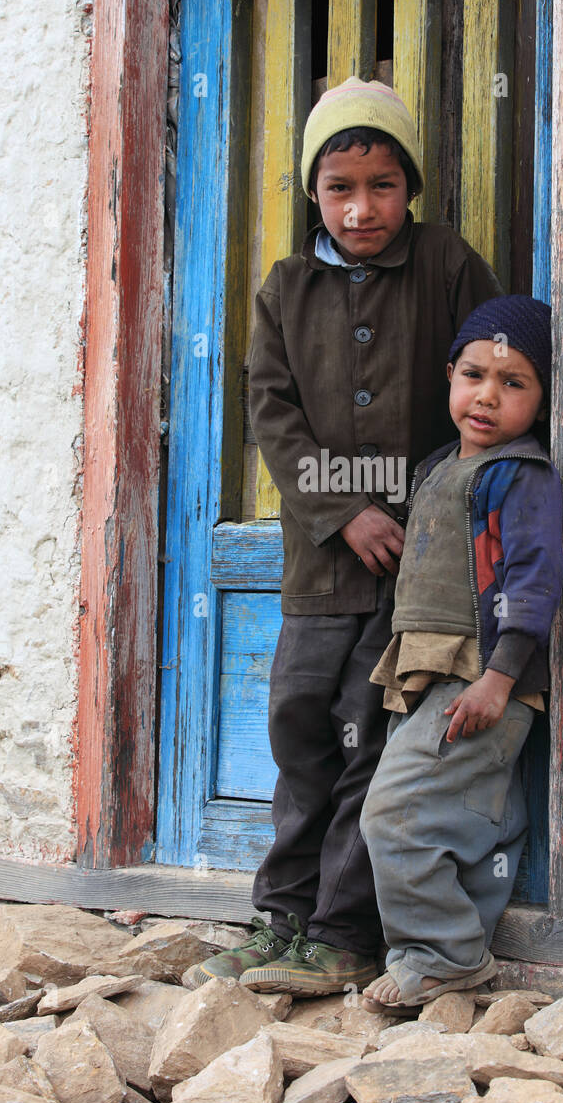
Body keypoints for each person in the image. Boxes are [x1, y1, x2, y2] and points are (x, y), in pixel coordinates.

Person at [182, 76, 504, 996]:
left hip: (415, 566)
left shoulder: (447, 266)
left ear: (412, 189)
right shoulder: (287, 287)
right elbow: (272, 413)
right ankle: (277, 916)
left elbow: (486, 378)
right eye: (340, 188)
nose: (363, 208)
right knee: (299, 729)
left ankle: (342, 933)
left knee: (374, 743)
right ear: (312, 193)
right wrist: (340, 509)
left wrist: (438, 508)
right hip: (322, 563)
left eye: (384, 185)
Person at [359, 294, 563, 1012]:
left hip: (479, 681)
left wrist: (499, 680)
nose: (488, 396)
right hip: (431, 674)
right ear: (450, 374)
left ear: (542, 400)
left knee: (395, 814)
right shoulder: (440, 466)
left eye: (515, 384)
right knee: (477, 819)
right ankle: (463, 947)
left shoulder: (520, 475)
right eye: (474, 374)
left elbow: (532, 586)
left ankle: (441, 955)